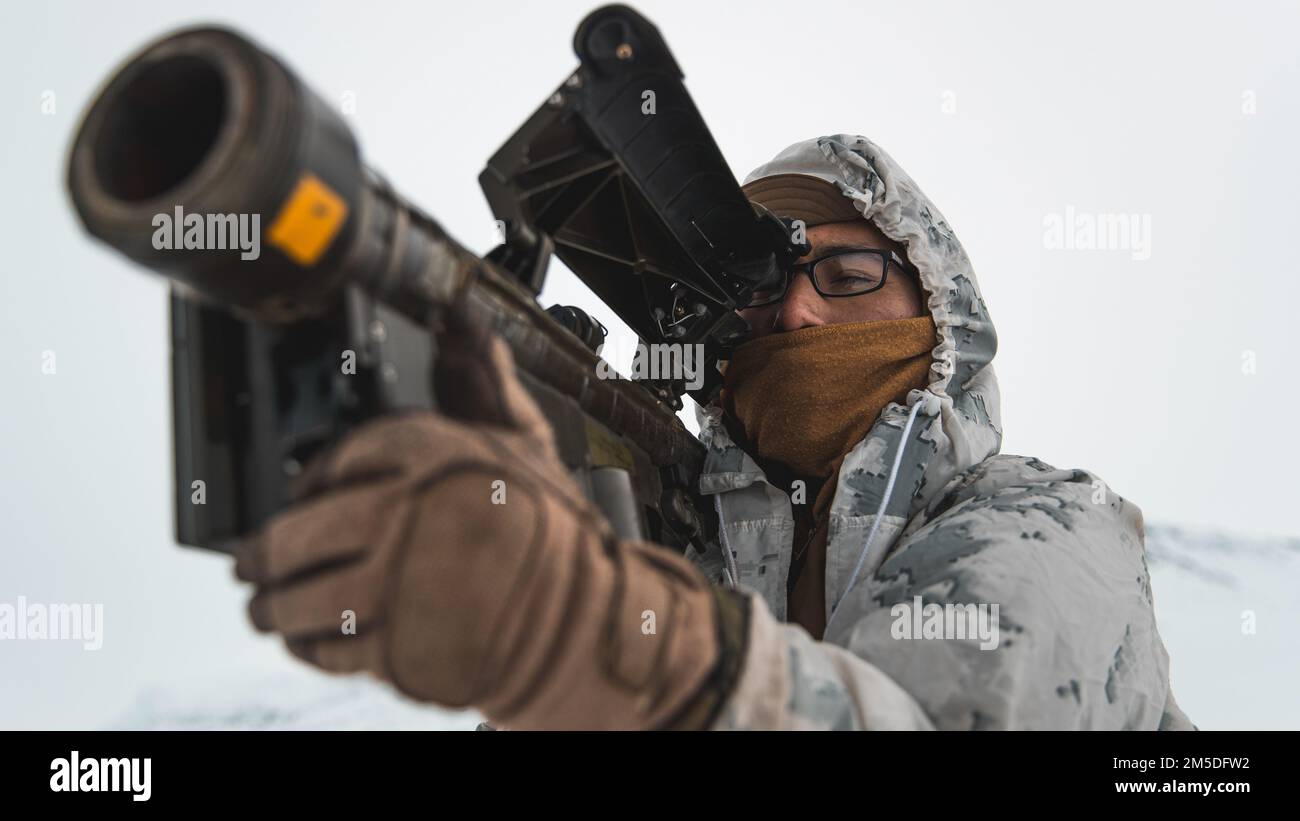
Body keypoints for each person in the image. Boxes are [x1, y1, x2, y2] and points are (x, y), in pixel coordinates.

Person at [235, 134, 1192, 730]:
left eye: (849, 276)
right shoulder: (702, 557)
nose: (801, 320)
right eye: (765, 292)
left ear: (940, 316)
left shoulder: (1050, 521)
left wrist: (580, 632)